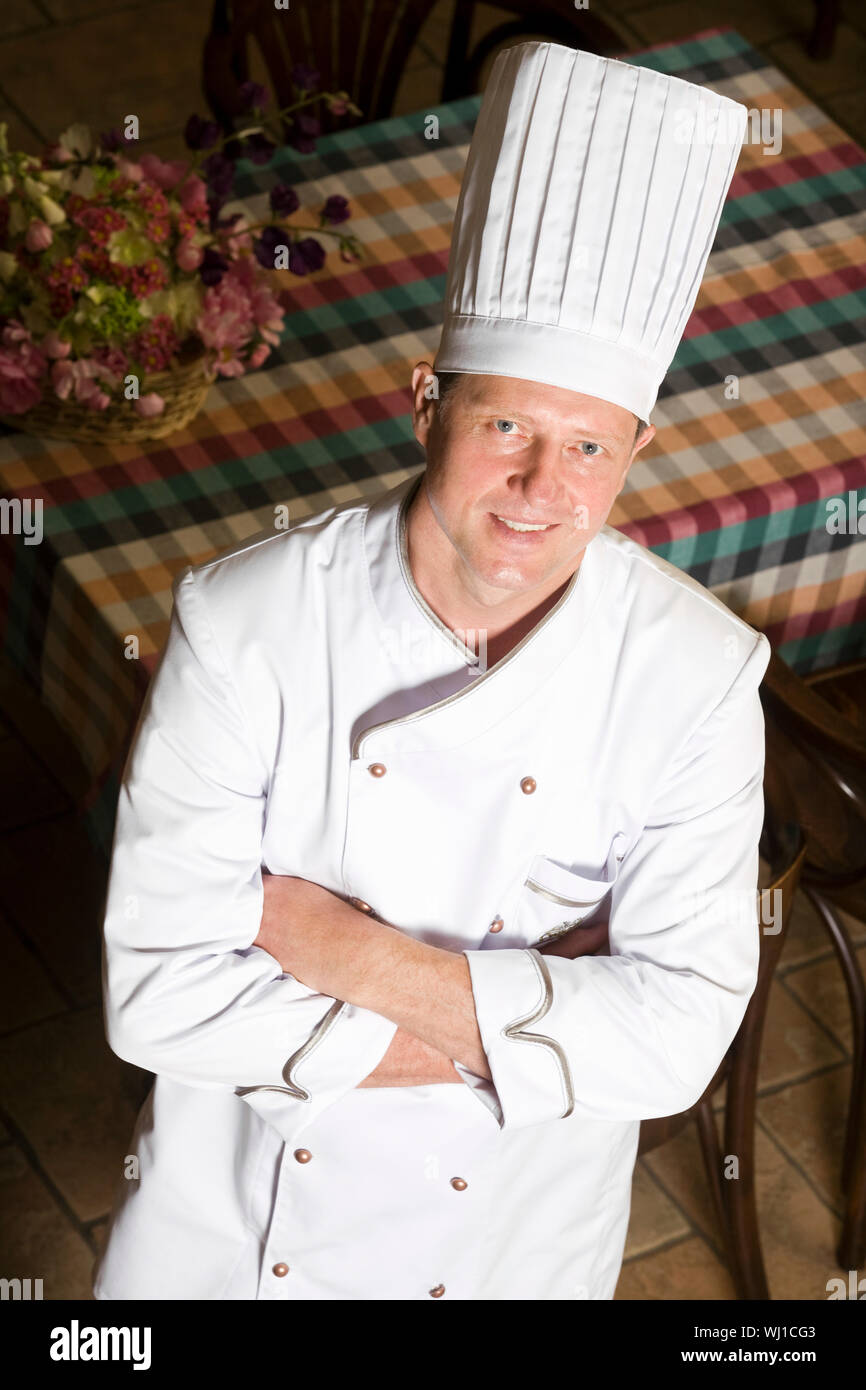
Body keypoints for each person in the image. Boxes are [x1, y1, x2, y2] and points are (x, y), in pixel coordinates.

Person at [93, 42, 769, 1301]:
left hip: (514, 1247)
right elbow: (157, 1000)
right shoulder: (246, 622)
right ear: (424, 403)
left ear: (634, 452)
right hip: (239, 1235)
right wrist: (549, 1019)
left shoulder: (697, 674)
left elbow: (675, 1046)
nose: (540, 488)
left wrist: (324, 942)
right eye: (504, 424)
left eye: (587, 448)